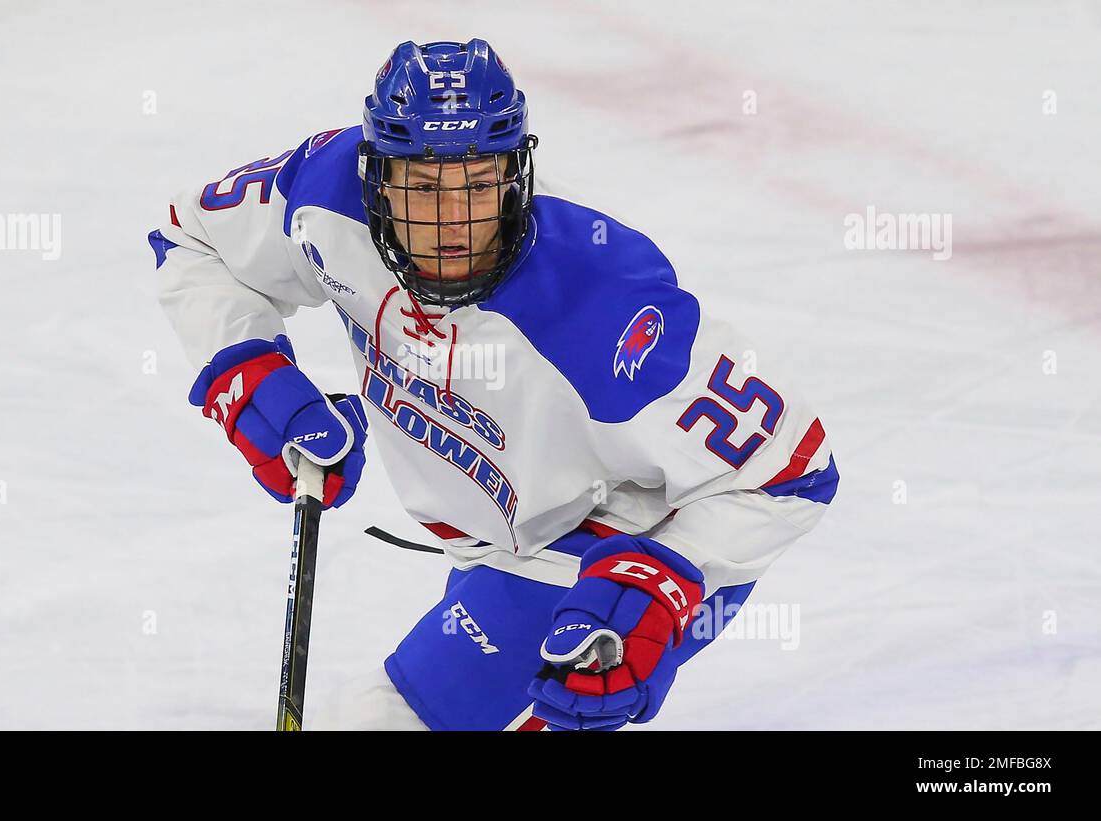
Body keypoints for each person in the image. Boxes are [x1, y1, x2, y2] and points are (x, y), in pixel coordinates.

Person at [149, 38, 839, 731]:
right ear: (377, 178)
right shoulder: (327, 196)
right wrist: (248, 376)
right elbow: (194, 240)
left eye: (478, 185)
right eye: (423, 187)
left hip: (606, 549)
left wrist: (661, 581)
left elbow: (795, 470)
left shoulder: (601, 308)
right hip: (494, 540)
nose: (453, 222)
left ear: (514, 175)